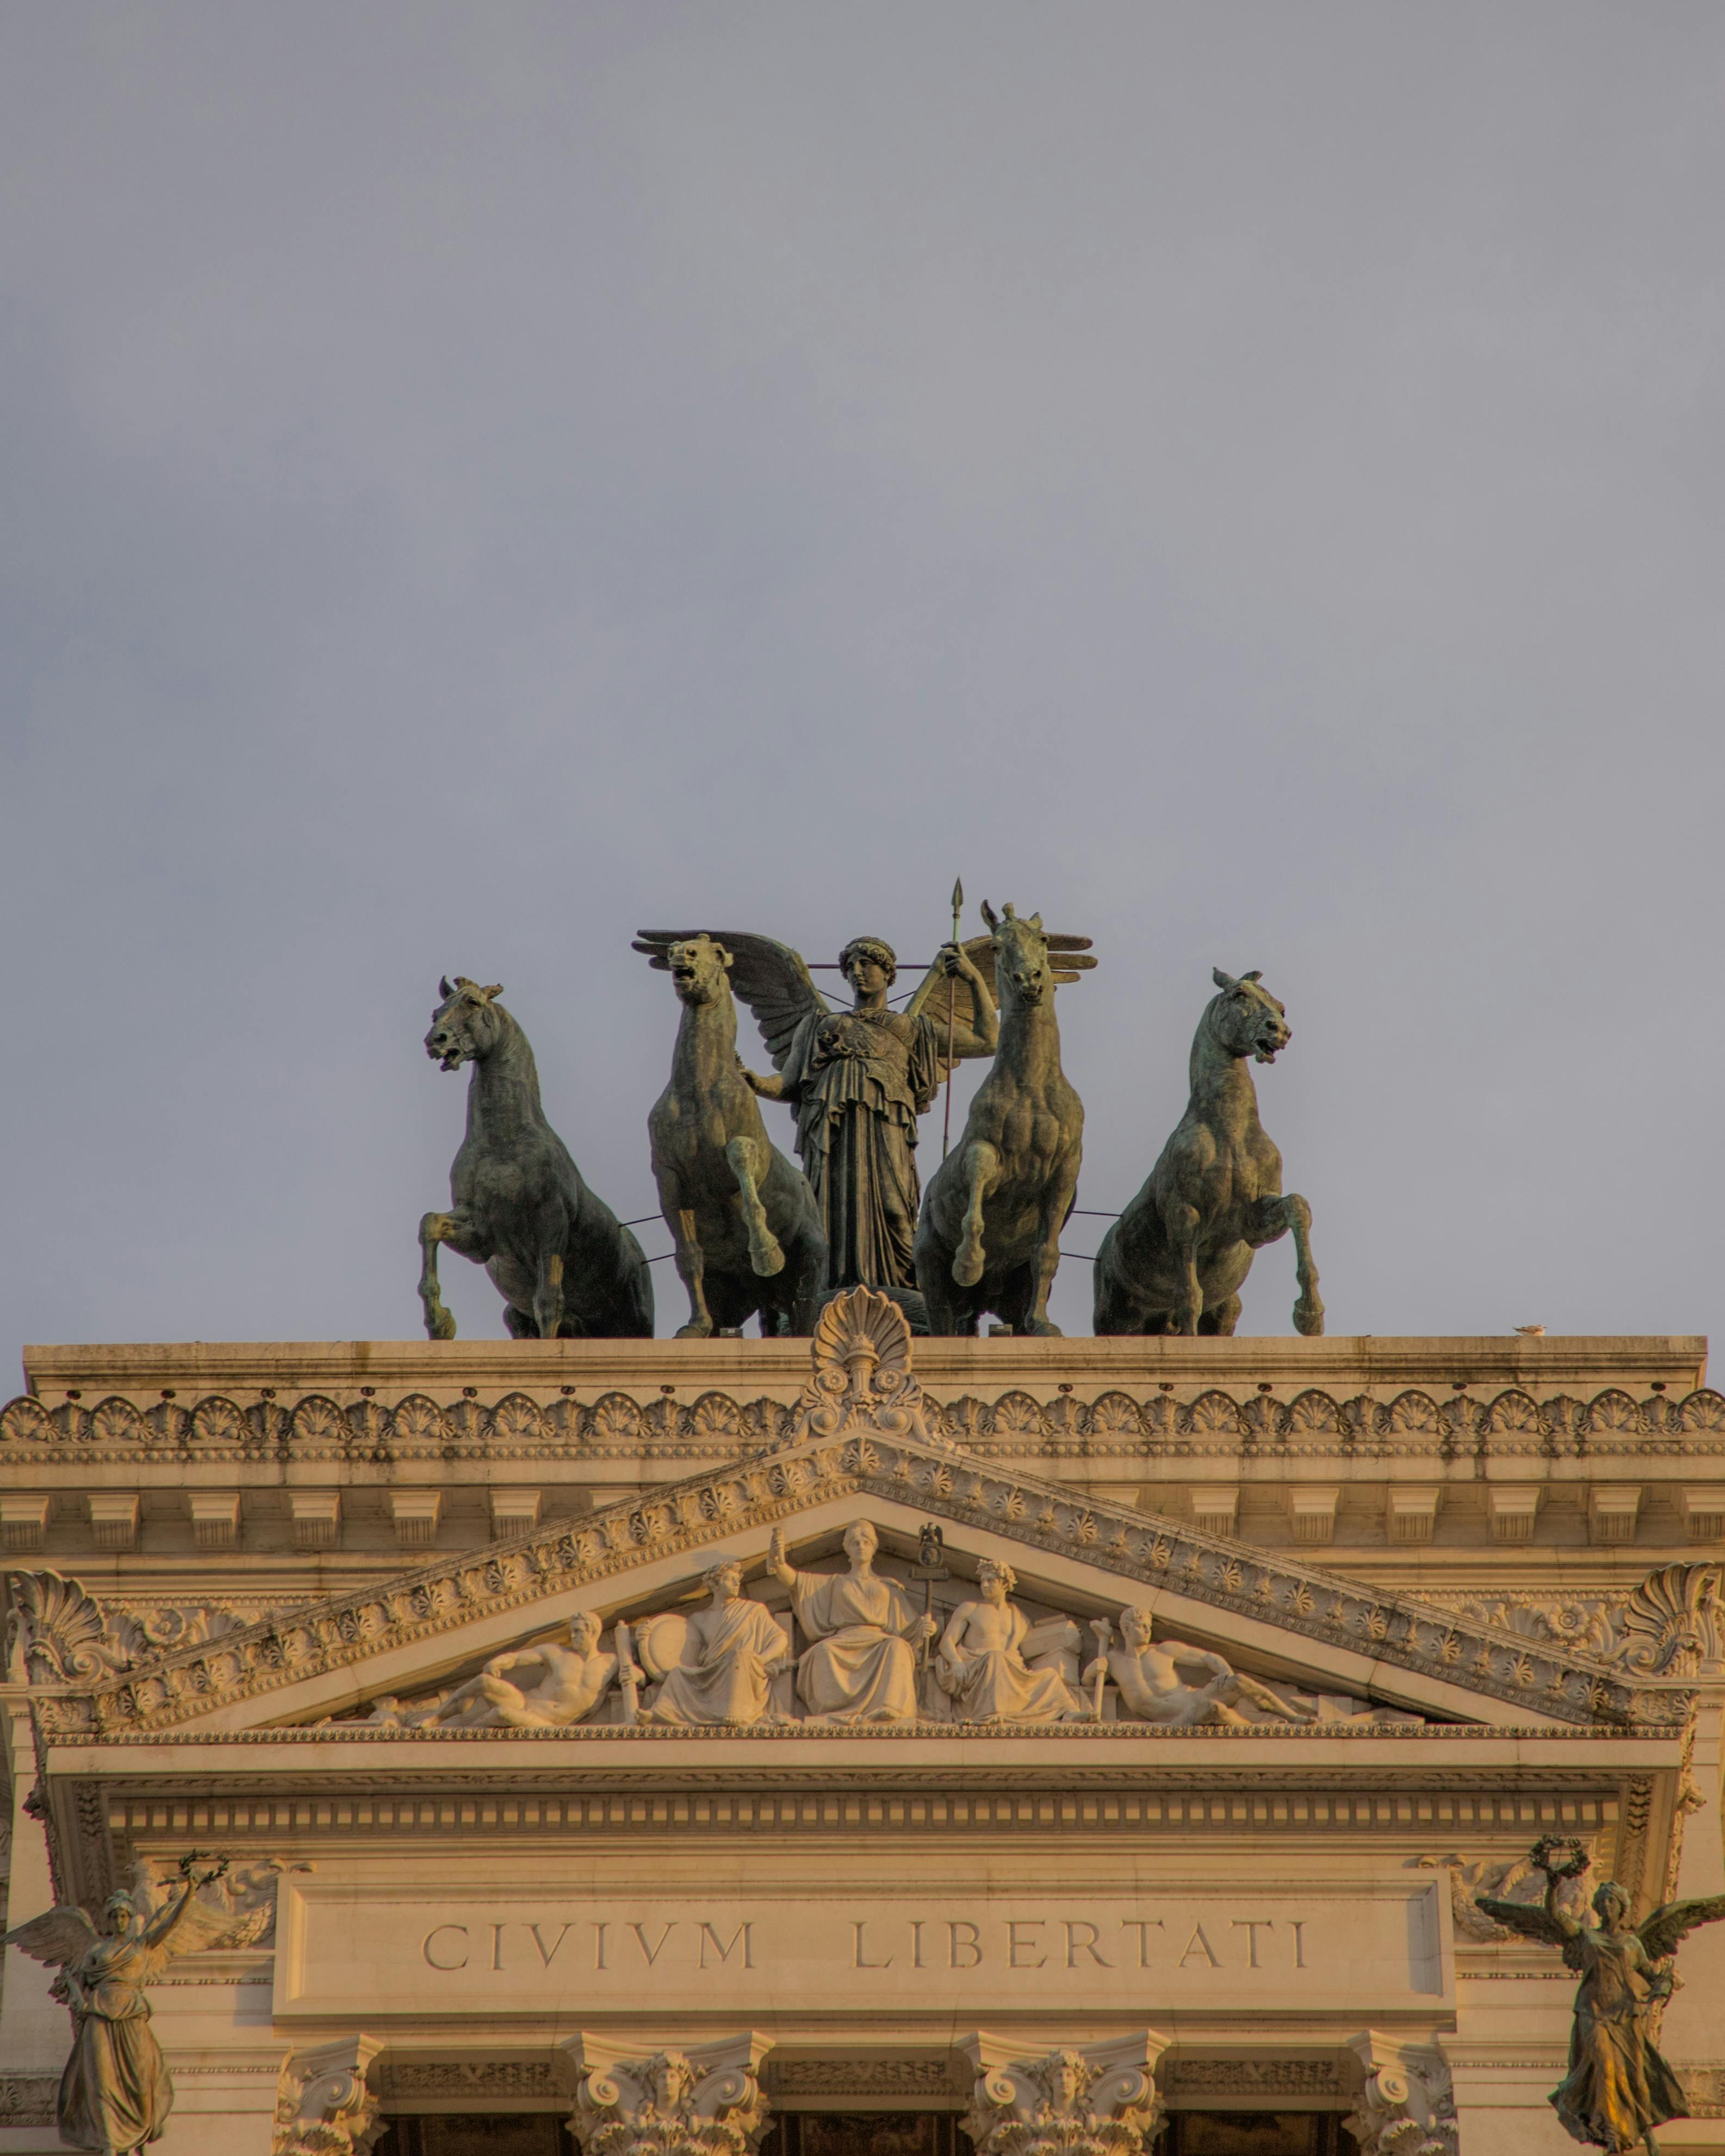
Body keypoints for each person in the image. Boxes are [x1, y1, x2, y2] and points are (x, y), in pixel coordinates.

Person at [743, 938, 995, 1296]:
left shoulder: (913, 1029)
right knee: (828, 1208)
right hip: (830, 1130)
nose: (858, 972)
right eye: (851, 967)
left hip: (889, 1123)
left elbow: (989, 1039)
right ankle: (827, 1285)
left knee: (894, 1205)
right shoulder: (819, 1025)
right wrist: (756, 1082)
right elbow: (787, 1082)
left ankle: (903, 1287)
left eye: (867, 964)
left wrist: (973, 978)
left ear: (889, 973)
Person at [767, 1520, 934, 1722]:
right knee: (823, 1651)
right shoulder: (835, 1583)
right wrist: (780, 1562)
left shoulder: (889, 1587)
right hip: (843, 1641)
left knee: (897, 1647)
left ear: (875, 1547)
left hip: (878, 1642)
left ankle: (889, 1706)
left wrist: (927, 1627)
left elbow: (910, 1628)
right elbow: (796, 1581)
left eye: (866, 1542)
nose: (861, 1547)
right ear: (847, 1548)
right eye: (855, 1543)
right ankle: (835, 1711)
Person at [642, 1558, 792, 1726]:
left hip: (744, 1673)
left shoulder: (753, 1611)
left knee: (738, 1656)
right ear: (715, 1584)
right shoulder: (698, 1619)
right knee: (677, 1673)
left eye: (738, 1580)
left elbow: (780, 1639)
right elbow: (678, 1648)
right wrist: (647, 1636)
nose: (737, 1583)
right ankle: (660, 1713)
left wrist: (760, 1660)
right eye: (730, 1579)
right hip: (710, 1676)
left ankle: (735, 1712)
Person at [936, 1558, 1085, 1723]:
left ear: (1004, 1584)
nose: (985, 1585)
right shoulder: (971, 1608)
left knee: (1050, 1676)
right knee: (996, 1658)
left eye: (990, 1581)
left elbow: (1037, 1643)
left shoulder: (1018, 1617)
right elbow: (946, 1642)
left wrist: (1069, 1634)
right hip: (977, 1670)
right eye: (983, 1581)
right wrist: (956, 1662)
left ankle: (1068, 1712)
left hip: (1010, 1671)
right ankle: (991, 1714)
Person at [415, 1610, 619, 1729]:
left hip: (546, 1724)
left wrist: (638, 1677)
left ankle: (469, 1730)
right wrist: (500, 1662)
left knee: (504, 1713)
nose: (573, 1636)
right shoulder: (557, 1653)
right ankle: (436, 1718)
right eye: (572, 1631)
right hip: (523, 1702)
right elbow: (521, 1657)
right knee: (483, 1682)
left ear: (593, 1632)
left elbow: (634, 1679)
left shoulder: (611, 1662)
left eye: (578, 1632)